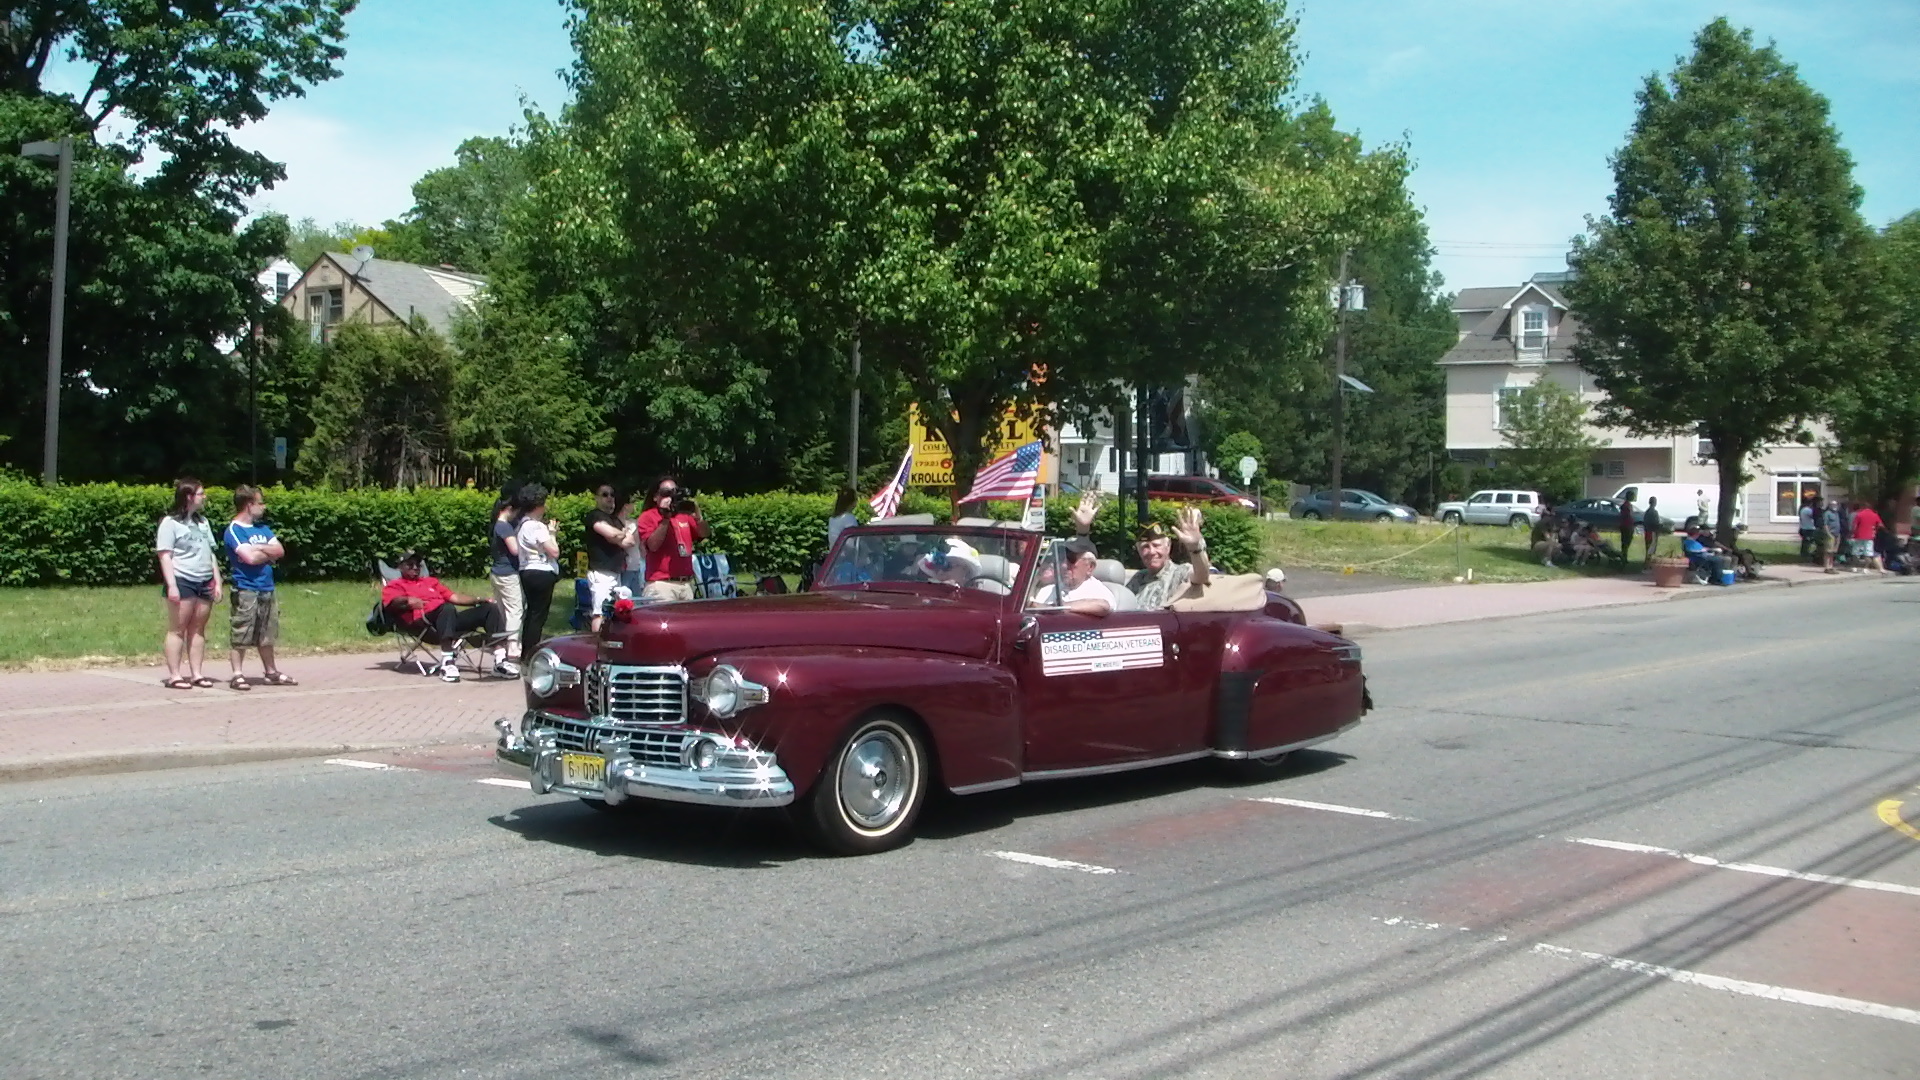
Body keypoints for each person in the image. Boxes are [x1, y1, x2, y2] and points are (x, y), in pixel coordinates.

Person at [381, 552, 512, 681]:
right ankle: (448, 662)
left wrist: (479, 600)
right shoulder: (395, 585)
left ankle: (501, 661)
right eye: (410, 565)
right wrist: (406, 600)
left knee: (489, 609)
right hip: (425, 625)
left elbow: (454, 597)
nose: (415, 568)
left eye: (418, 565)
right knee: (446, 608)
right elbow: (391, 604)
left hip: (447, 620)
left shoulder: (430, 582)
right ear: (400, 567)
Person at [1068, 492, 1212, 609]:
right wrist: (1082, 532)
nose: (1151, 552)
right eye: (1145, 547)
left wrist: (1195, 548)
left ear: (1168, 547)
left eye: (1157, 545)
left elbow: (1202, 576)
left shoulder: (1180, 572)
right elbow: (1083, 565)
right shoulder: (1138, 579)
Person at [222, 485, 295, 690]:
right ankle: (237, 674)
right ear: (249, 505)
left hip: (267, 587)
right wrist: (266, 553)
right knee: (242, 631)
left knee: (267, 632)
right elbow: (250, 558)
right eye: (260, 502)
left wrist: (261, 547)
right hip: (246, 588)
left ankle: (271, 671)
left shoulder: (263, 529)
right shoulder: (234, 530)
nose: (264, 507)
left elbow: (279, 550)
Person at [155, 478, 222, 689]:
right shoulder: (170, 523)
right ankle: (175, 675)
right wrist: (172, 585)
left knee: (198, 628)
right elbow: (165, 555)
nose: (204, 497)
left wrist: (217, 581)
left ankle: (197, 674)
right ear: (189, 497)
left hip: (204, 579)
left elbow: (210, 553)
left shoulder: (203, 523)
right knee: (178, 628)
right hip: (183, 579)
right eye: (201, 494)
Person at [637, 476, 709, 602]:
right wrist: (666, 518)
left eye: (675, 492)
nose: (670, 497)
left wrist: (699, 517)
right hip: (661, 584)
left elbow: (704, 533)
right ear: (655, 497)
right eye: (666, 493)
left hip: (685, 583)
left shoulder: (683, 515)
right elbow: (653, 546)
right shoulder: (648, 516)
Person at [583, 483, 638, 631]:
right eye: (605, 495)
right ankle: (596, 646)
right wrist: (622, 533)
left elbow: (630, 542)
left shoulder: (614, 519)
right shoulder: (594, 516)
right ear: (596, 498)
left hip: (616, 572)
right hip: (601, 572)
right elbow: (612, 534)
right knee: (599, 613)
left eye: (612, 495)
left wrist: (618, 536)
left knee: (616, 611)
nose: (609, 498)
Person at [515, 484, 562, 655]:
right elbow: (554, 551)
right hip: (541, 571)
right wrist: (552, 533)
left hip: (526, 569)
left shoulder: (522, 525)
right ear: (539, 505)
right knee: (539, 615)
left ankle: (526, 650)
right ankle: (531, 651)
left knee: (532, 612)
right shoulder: (537, 526)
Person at [488, 491, 523, 673]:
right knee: (515, 610)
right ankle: (513, 647)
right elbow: (515, 550)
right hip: (508, 573)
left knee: (503, 611)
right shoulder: (505, 527)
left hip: (496, 573)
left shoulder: (495, 526)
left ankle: (502, 643)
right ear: (509, 509)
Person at [1031, 537, 1111, 616]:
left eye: (1071, 559)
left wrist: (1056, 608)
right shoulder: (1047, 591)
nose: (1064, 565)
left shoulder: (1098, 591)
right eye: (1062, 558)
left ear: (1090, 567)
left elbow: (1104, 606)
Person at [1849, 499, 1885, 573]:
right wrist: (1875, 529)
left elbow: (1854, 525)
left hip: (1858, 535)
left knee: (1856, 552)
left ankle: (1854, 567)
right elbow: (1881, 525)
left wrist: (1852, 533)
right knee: (1868, 553)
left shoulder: (1859, 514)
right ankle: (1865, 569)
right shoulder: (1874, 515)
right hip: (1869, 536)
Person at [1817, 497, 1839, 573]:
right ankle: (1827, 567)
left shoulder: (1836, 513)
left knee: (1833, 552)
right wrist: (1828, 534)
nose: (1834, 506)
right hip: (1830, 534)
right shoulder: (1827, 513)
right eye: (1832, 504)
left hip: (1837, 534)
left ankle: (1831, 566)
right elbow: (1825, 525)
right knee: (1828, 551)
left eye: (1835, 504)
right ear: (1829, 505)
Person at [1641, 497, 1662, 565]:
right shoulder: (1654, 512)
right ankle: (1649, 564)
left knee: (1648, 548)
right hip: (1652, 532)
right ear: (1655, 503)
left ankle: (1647, 563)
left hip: (1647, 531)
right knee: (1651, 549)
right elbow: (1656, 523)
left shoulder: (1647, 512)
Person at [1797, 498, 1817, 563]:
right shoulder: (1808, 510)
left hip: (1803, 527)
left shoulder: (1802, 510)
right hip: (1809, 528)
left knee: (1805, 542)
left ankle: (1803, 553)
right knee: (1809, 542)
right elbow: (1814, 516)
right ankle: (1806, 553)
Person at [1617, 497, 1636, 562]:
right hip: (1627, 525)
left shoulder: (1625, 505)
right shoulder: (1627, 506)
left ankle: (1624, 555)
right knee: (1626, 541)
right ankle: (1624, 556)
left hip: (1625, 525)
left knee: (1625, 541)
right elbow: (1629, 515)